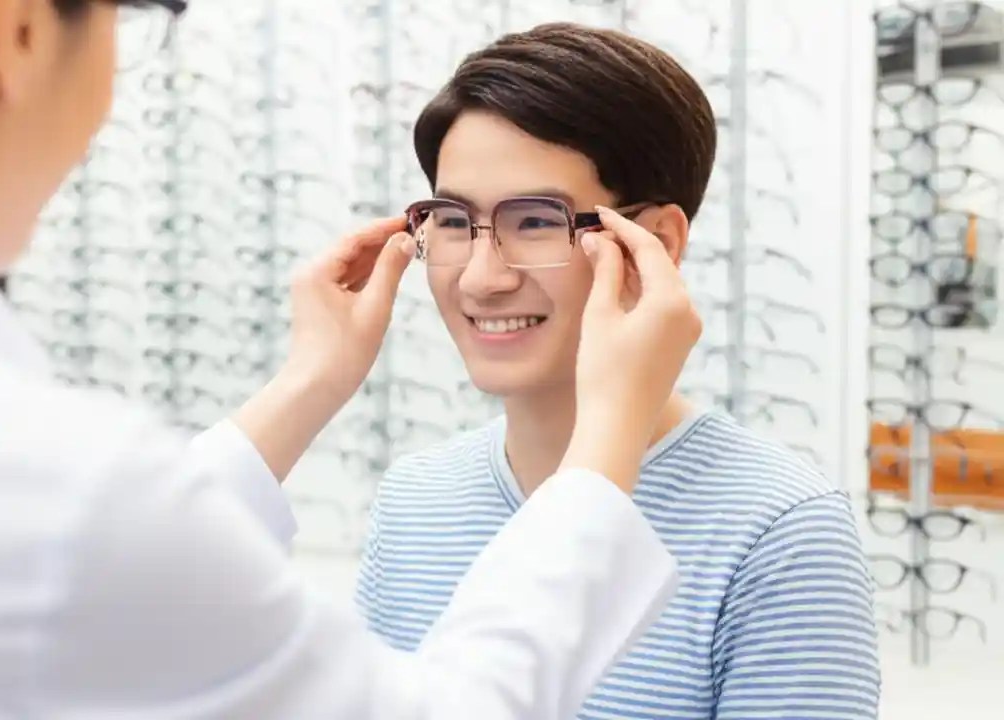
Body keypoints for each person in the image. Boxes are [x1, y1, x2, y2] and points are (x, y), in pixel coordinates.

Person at [0, 2, 706, 718]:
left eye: (532, 221)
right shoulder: (46, 484)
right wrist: (609, 433)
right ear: (17, 31)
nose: (485, 274)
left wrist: (308, 384)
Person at [356, 23, 882, 720]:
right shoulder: (414, 500)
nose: (482, 279)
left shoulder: (778, 529)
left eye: (536, 222)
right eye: (453, 221)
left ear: (654, 243)